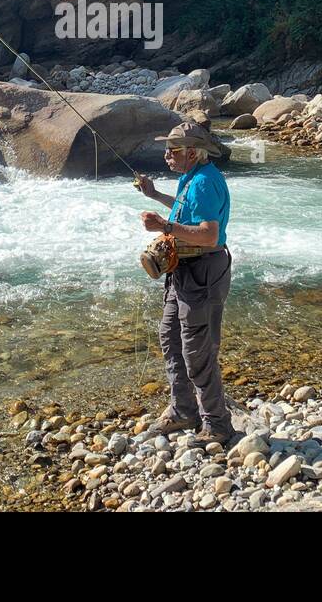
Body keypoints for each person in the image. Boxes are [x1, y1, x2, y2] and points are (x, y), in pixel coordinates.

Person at [134, 121, 234, 444]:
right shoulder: (190, 177)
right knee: (170, 334)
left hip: (203, 270)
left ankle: (217, 423)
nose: (166, 155)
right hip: (185, 270)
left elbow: (209, 233)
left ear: (192, 152)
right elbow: (186, 212)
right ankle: (184, 410)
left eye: (173, 150)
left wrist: (163, 225)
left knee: (196, 350)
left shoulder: (204, 182)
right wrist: (156, 195)